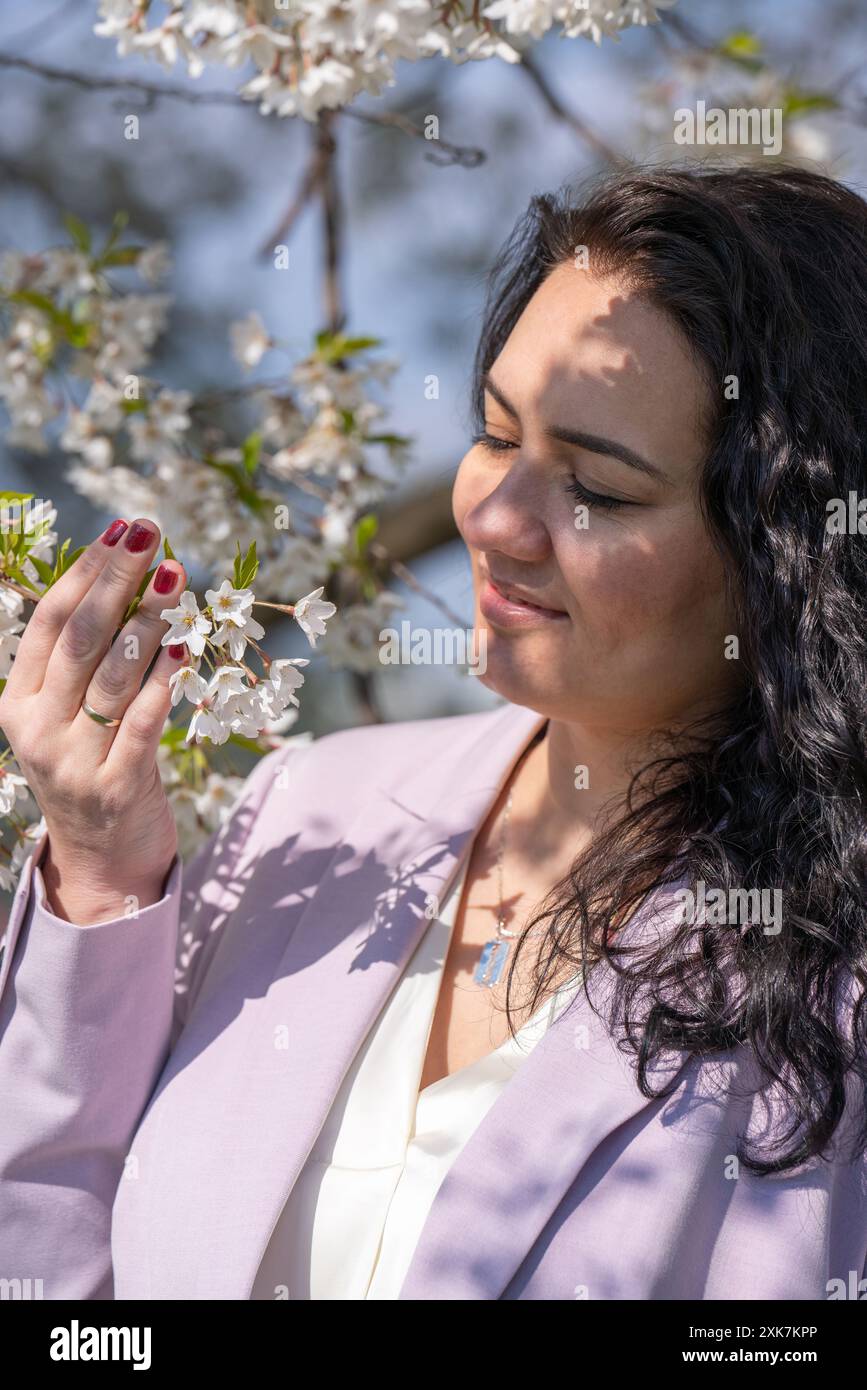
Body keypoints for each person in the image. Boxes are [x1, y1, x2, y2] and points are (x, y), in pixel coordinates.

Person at [0, 164, 865, 1301]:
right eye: (498, 434)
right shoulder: (311, 812)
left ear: (781, 561)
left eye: (597, 487)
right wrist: (104, 879)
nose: (496, 519)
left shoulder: (827, 987)